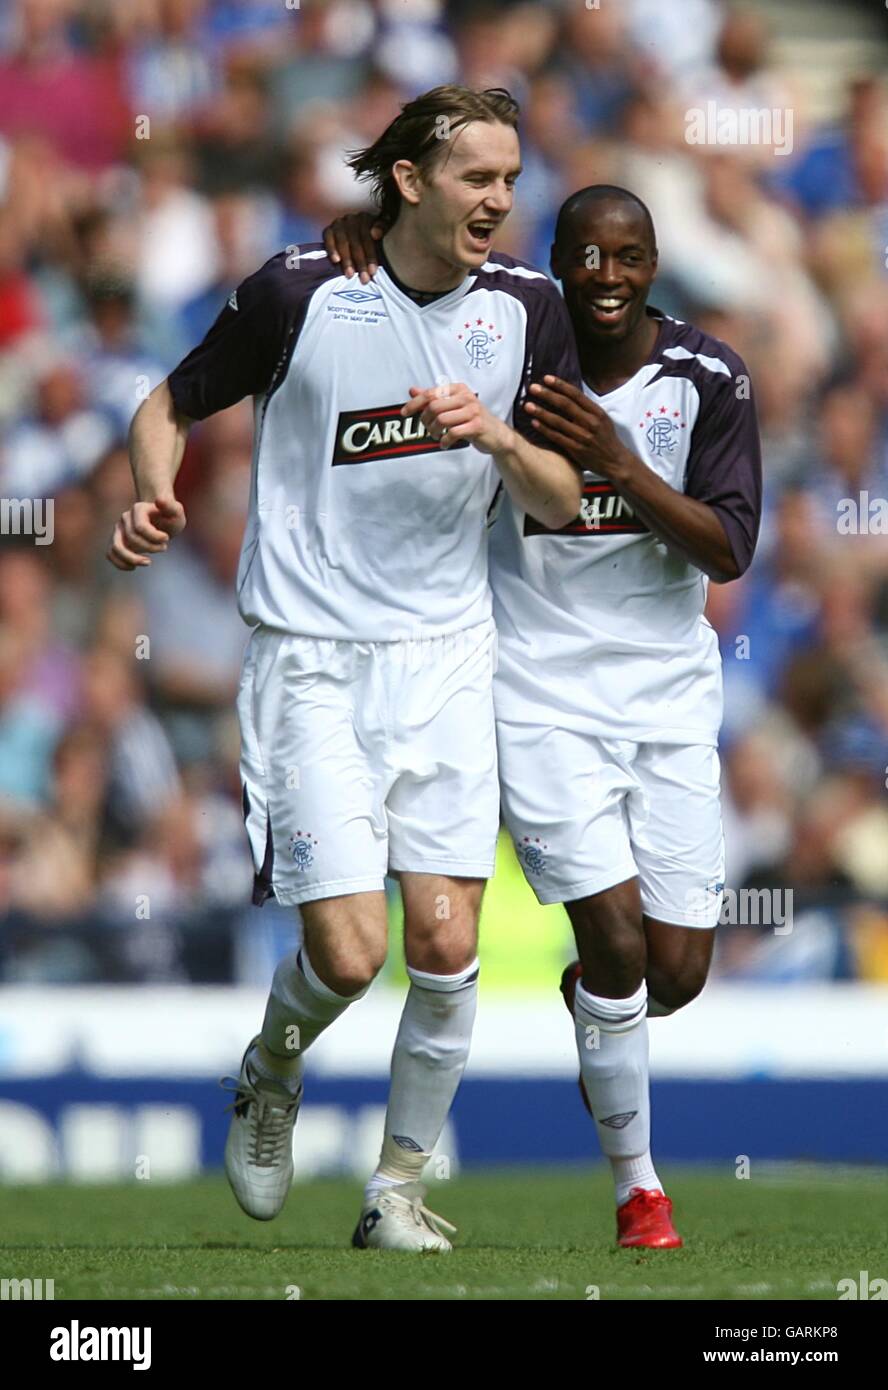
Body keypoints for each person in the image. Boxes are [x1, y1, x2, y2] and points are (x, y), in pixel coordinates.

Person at [106, 85, 582, 1252]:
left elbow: (567, 504)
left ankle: (398, 1191)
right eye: (478, 177)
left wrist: (501, 437)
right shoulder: (299, 290)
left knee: (449, 942)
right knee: (349, 953)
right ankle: (272, 1068)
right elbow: (167, 401)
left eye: (512, 179)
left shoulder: (530, 308)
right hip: (311, 660)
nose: (501, 201)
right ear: (411, 179)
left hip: (451, 655)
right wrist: (152, 488)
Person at [323, 182, 762, 1248]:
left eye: (628, 256)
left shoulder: (710, 377)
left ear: (654, 263)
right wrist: (360, 240)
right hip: (538, 693)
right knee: (614, 941)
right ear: (558, 262)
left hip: (666, 697)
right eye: (586, 256)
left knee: (680, 972)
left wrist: (621, 465)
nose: (606, 277)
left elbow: (729, 548)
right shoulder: (511, 355)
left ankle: (598, 1004)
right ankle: (639, 1191)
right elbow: (416, 286)